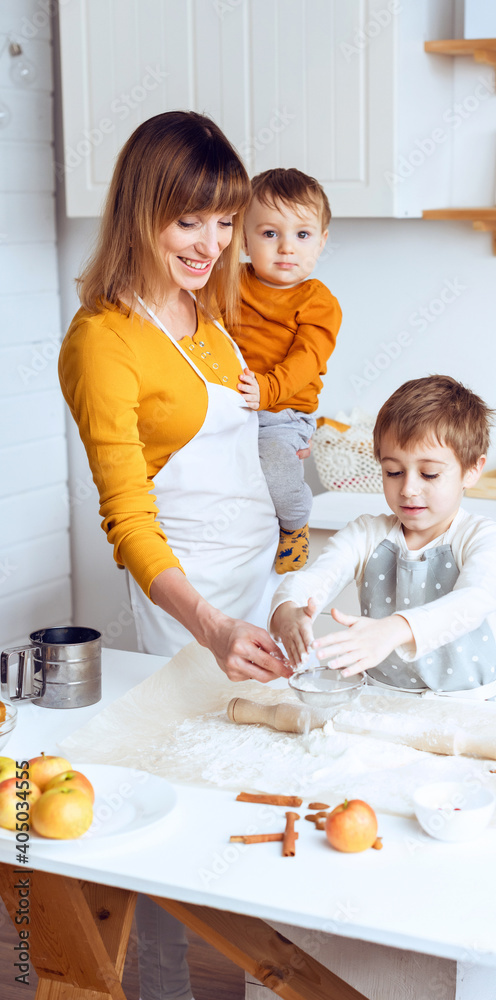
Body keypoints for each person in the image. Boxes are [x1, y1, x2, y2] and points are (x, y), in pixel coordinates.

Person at [58, 110, 295, 1000]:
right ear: (142, 208)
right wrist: (207, 623)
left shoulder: (207, 309)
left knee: (246, 798)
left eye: (226, 220)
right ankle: (161, 988)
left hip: (255, 583)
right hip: (187, 601)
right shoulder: (101, 343)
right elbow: (128, 518)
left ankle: (240, 983)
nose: (212, 242)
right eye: (189, 219)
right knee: (183, 808)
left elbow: (256, 440)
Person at [270, 375, 496, 700]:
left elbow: (473, 600)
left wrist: (394, 629)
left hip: (471, 711)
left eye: (429, 473)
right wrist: (288, 610)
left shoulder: (483, 537)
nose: (409, 489)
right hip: (384, 706)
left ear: (472, 469)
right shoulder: (367, 534)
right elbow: (316, 577)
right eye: (393, 472)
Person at [233, 168, 342, 574]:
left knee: (277, 465)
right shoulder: (229, 283)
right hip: (234, 406)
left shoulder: (318, 302)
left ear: (321, 241)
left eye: (302, 234)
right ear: (243, 239)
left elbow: (305, 361)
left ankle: (295, 524)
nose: (286, 248)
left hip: (282, 412)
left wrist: (267, 390)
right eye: (269, 233)